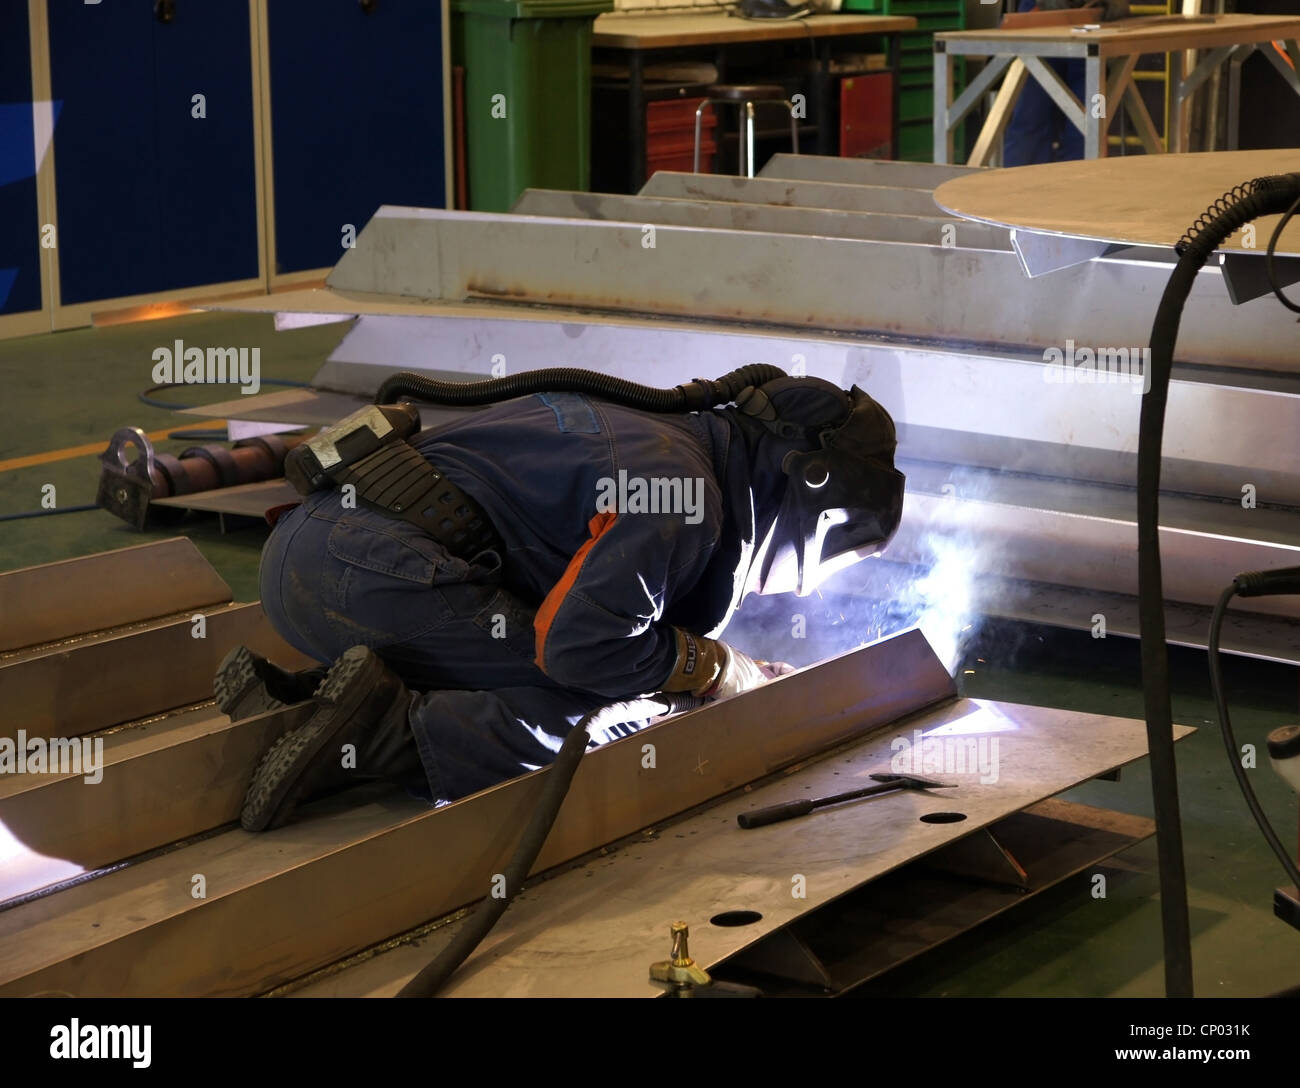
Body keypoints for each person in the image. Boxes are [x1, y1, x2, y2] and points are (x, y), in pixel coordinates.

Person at [217, 371, 906, 831]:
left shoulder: (664, 440)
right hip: (370, 572)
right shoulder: (685, 491)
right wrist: (717, 670)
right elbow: (583, 646)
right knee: (614, 698)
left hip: (315, 560)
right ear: (807, 486)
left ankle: (303, 701)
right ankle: (379, 737)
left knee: (572, 649)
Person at [1002, 0, 1130, 167]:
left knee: (1089, 128)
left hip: (1093, 23)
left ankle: (1080, 187)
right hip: (1041, 18)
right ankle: (1017, 188)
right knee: (1030, 119)